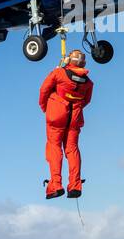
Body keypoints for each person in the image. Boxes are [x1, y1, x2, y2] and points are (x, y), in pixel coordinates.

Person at [39, 48, 93, 198]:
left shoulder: (58, 73)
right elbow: (86, 101)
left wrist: (46, 107)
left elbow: (44, 90)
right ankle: (75, 186)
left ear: (69, 60)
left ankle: (55, 185)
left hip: (55, 115)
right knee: (72, 149)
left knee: (54, 147)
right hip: (74, 118)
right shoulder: (88, 83)